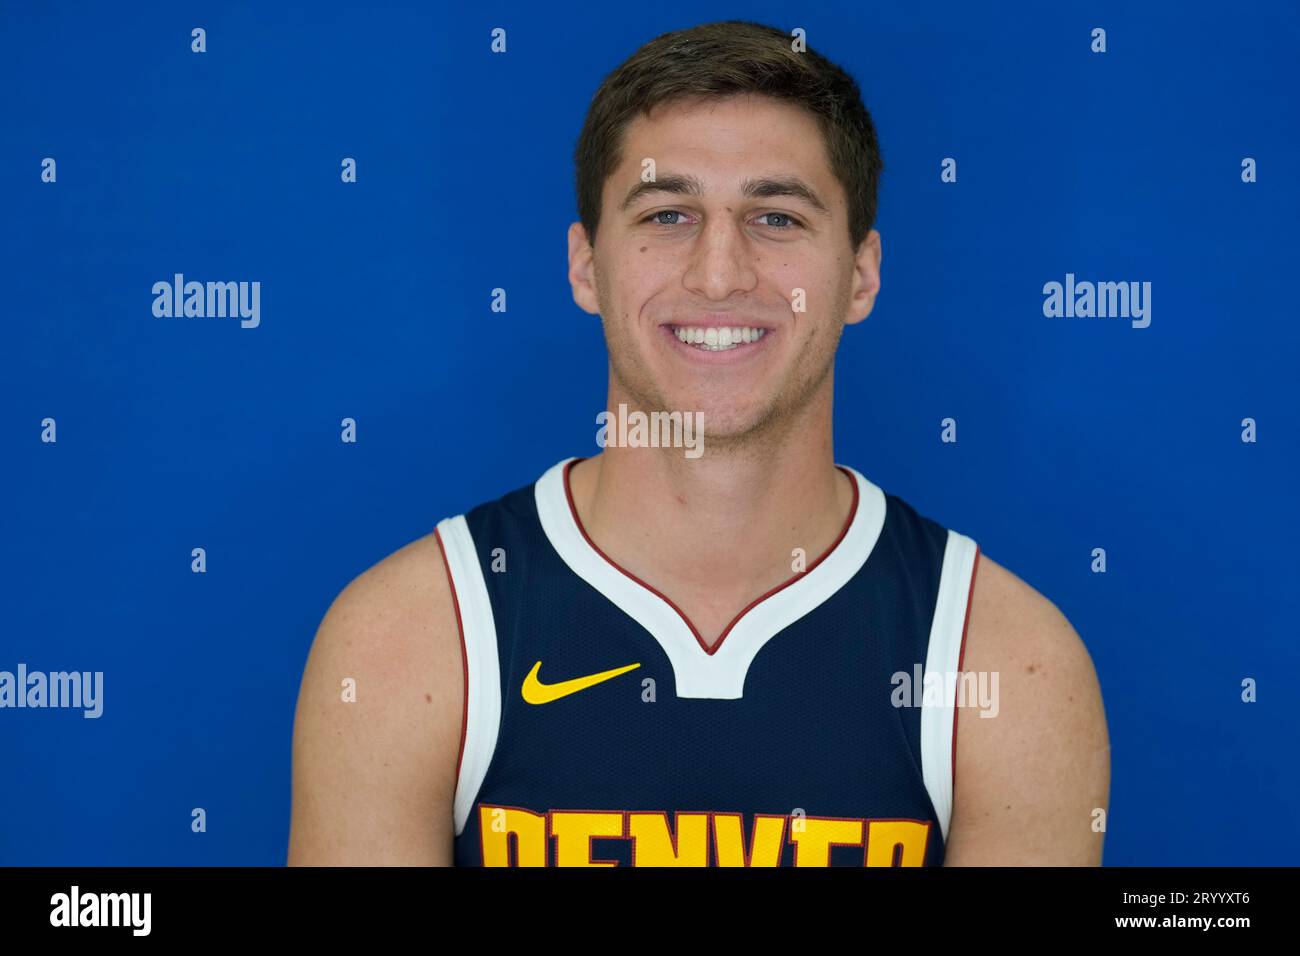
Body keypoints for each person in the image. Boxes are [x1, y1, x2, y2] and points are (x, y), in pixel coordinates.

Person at [287, 19, 1109, 867]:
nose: (720, 273)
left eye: (778, 217)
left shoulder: (1001, 662)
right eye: (668, 213)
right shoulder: (411, 638)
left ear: (860, 274)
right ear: (585, 267)